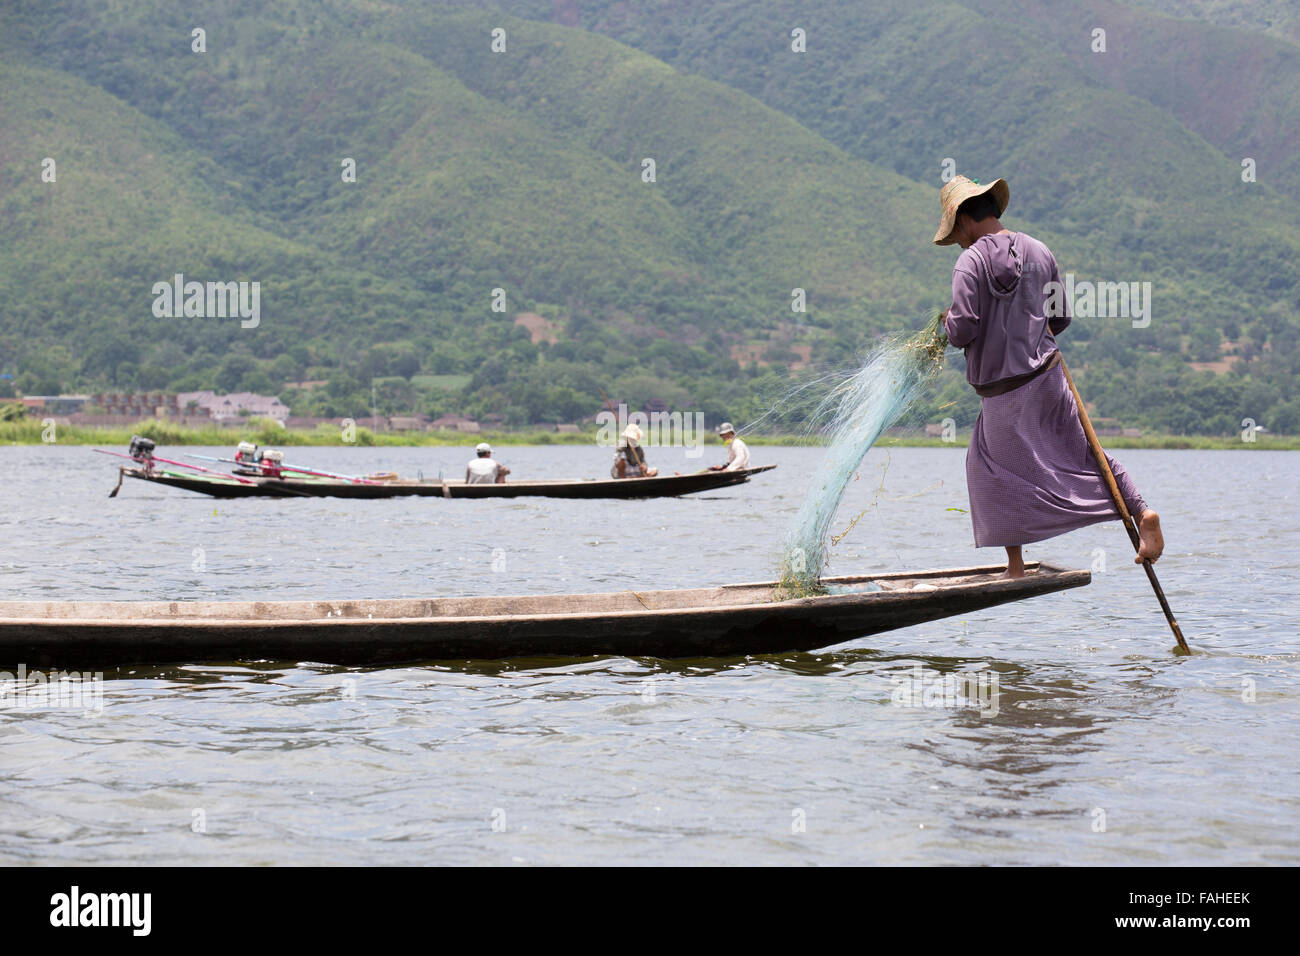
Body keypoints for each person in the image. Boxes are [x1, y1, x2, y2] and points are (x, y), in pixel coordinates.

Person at [934, 174, 1163, 578]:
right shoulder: (1039, 251)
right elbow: (1060, 317)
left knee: (988, 468)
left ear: (965, 221)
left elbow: (964, 329)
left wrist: (949, 322)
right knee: (1086, 454)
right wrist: (1027, 329)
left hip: (1003, 389)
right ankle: (1142, 513)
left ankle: (1016, 566)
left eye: (959, 232)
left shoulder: (968, 263)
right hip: (1048, 377)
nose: (962, 241)